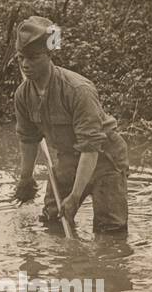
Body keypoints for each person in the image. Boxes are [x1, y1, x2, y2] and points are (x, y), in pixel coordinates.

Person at [12, 16, 129, 234]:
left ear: (49, 55)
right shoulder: (23, 95)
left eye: (33, 57)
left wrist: (75, 196)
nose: (26, 65)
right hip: (69, 158)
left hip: (105, 159)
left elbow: (90, 148)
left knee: (110, 232)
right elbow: (28, 140)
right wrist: (25, 179)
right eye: (21, 58)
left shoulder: (78, 90)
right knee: (53, 221)